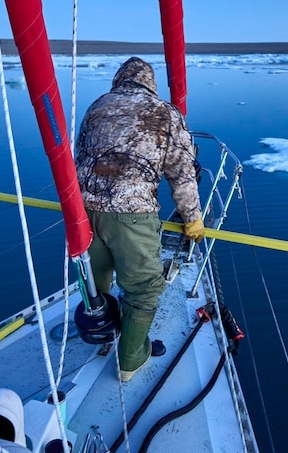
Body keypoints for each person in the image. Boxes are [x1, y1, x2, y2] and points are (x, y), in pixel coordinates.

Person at [75, 57, 204, 381]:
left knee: (97, 277)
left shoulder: (97, 106)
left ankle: (103, 335)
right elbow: (182, 172)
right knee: (144, 288)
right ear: (150, 83)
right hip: (131, 214)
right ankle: (130, 360)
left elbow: (79, 155)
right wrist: (192, 219)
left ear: (120, 80)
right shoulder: (164, 112)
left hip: (84, 211)